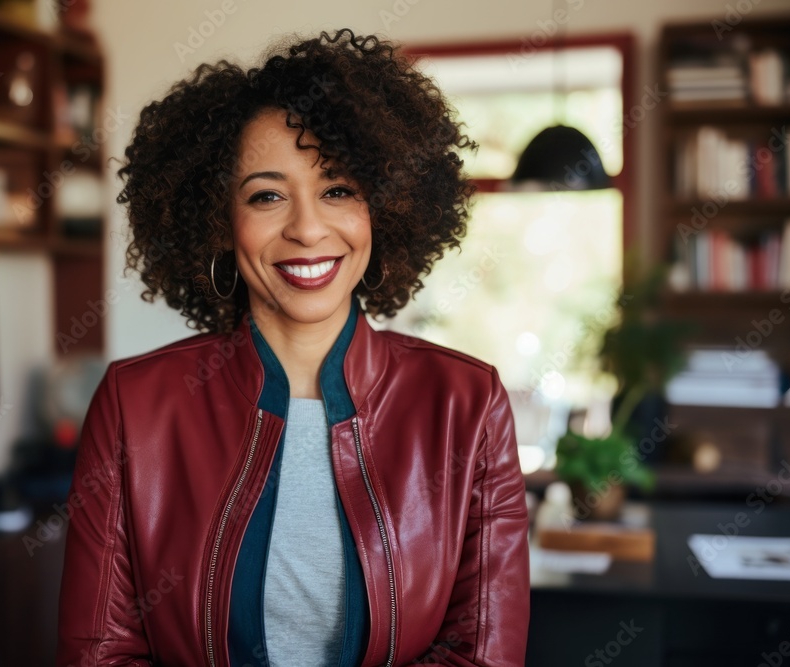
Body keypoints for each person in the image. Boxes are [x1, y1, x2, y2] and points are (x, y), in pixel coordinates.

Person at [57, 28, 529, 667]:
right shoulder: (133, 405)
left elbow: (481, 655)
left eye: (337, 189)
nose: (308, 228)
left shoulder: (467, 406)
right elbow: (100, 653)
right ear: (221, 222)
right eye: (267, 195)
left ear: (382, 211)